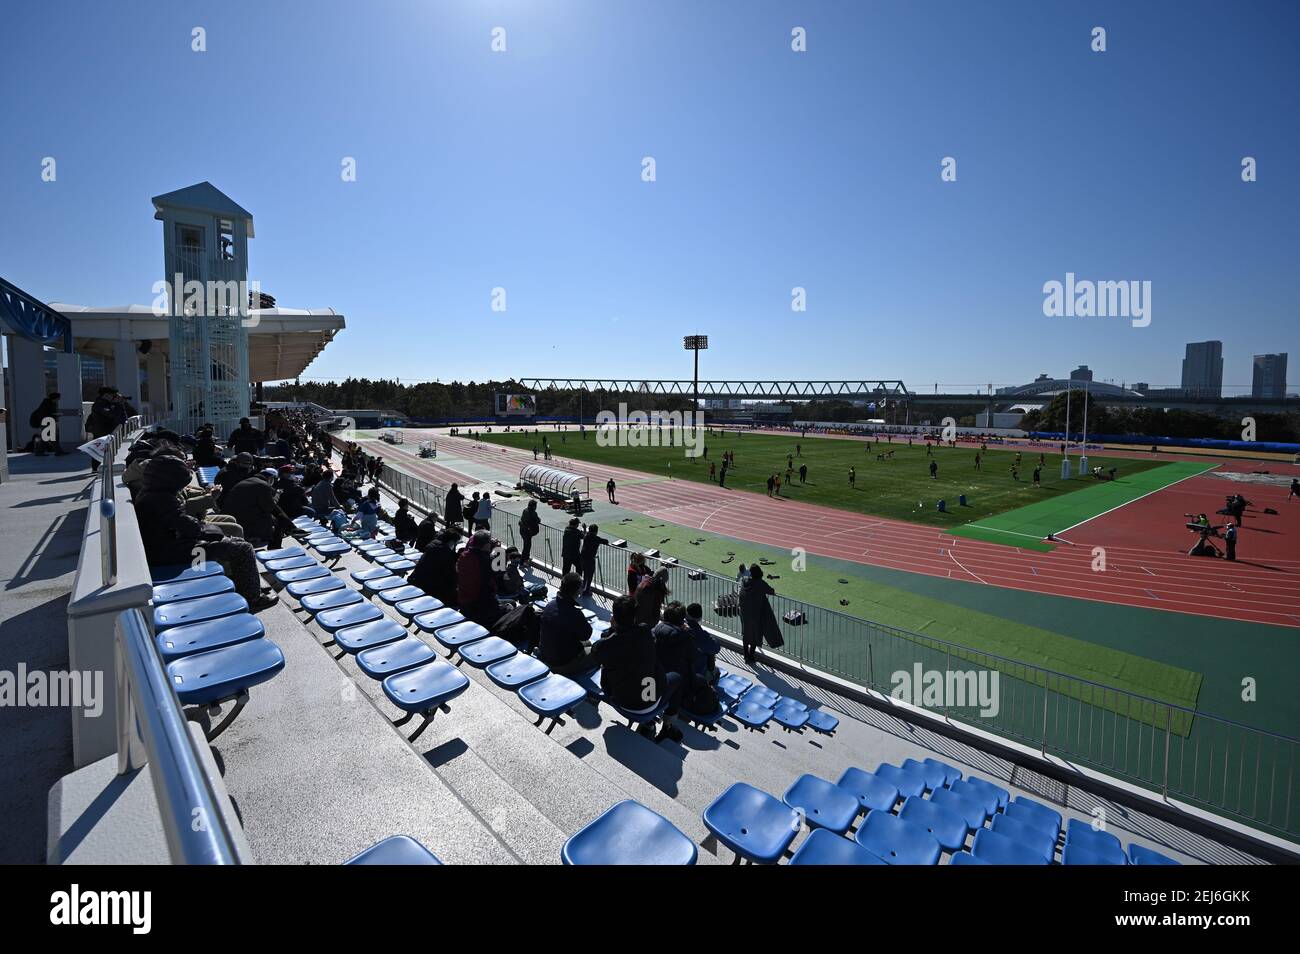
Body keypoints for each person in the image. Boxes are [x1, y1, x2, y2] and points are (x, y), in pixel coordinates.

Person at [133, 455, 275, 610]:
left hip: (167, 550)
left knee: (236, 543)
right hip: (179, 554)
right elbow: (191, 528)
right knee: (244, 548)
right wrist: (211, 531)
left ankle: (247, 585)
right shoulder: (163, 499)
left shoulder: (149, 494)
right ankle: (253, 599)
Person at [588, 596, 683, 742]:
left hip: (620, 698)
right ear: (635, 616)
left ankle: (651, 723)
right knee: (676, 677)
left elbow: (598, 649)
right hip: (648, 698)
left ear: (614, 617)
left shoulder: (604, 646)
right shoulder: (646, 634)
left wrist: (612, 630)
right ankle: (668, 726)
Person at [537, 572, 596, 675]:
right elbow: (586, 635)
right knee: (598, 652)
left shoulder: (550, 605)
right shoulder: (574, 613)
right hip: (563, 664)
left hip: (546, 656)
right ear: (577, 591)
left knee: (587, 644)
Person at [222, 467, 293, 546]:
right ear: (271, 478)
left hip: (233, 516)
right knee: (278, 519)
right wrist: (277, 496)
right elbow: (271, 507)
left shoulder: (249, 481)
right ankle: (274, 547)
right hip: (243, 522)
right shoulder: (262, 485)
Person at [456, 530, 504, 627]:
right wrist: (499, 552)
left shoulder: (464, 555)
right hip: (479, 605)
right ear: (486, 545)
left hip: (464, 600)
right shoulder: (485, 561)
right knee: (511, 605)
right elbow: (499, 573)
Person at [739, 564, 783, 665]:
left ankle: (746, 656)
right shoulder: (760, 583)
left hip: (744, 613)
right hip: (755, 614)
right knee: (755, 634)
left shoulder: (745, 581)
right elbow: (771, 591)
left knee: (746, 633)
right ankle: (751, 656)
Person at [409, 529, 460, 605]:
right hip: (428, 587)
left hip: (416, 580)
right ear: (451, 542)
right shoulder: (446, 555)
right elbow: (450, 577)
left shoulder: (431, 547)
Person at [683, 602, 720, 685]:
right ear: (699, 617)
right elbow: (716, 648)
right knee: (716, 671)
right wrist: (711, 638)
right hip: (695, 673)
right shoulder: (700, 635)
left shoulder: (679, 625)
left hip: (680, 669)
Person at [580, 523, 606, 595]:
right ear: (596, 531)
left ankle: (582, 587)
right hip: (590, 559)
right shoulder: (596, 539)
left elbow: (585, 534)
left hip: (582, 557)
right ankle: (587, 590)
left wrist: (585, 529)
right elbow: (605, 541)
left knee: (584, 573)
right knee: (589, 575)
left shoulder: (586, 537)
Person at [518, 500, 540, 564]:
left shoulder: (525, 510)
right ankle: (522, 562)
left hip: (522, 530)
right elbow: (538, 520)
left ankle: (526, 558)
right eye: (535, 506)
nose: (536, 507)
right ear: (533, 506)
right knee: (527, 546)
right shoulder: (533, 513)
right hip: (528, 532)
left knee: (527, 545)